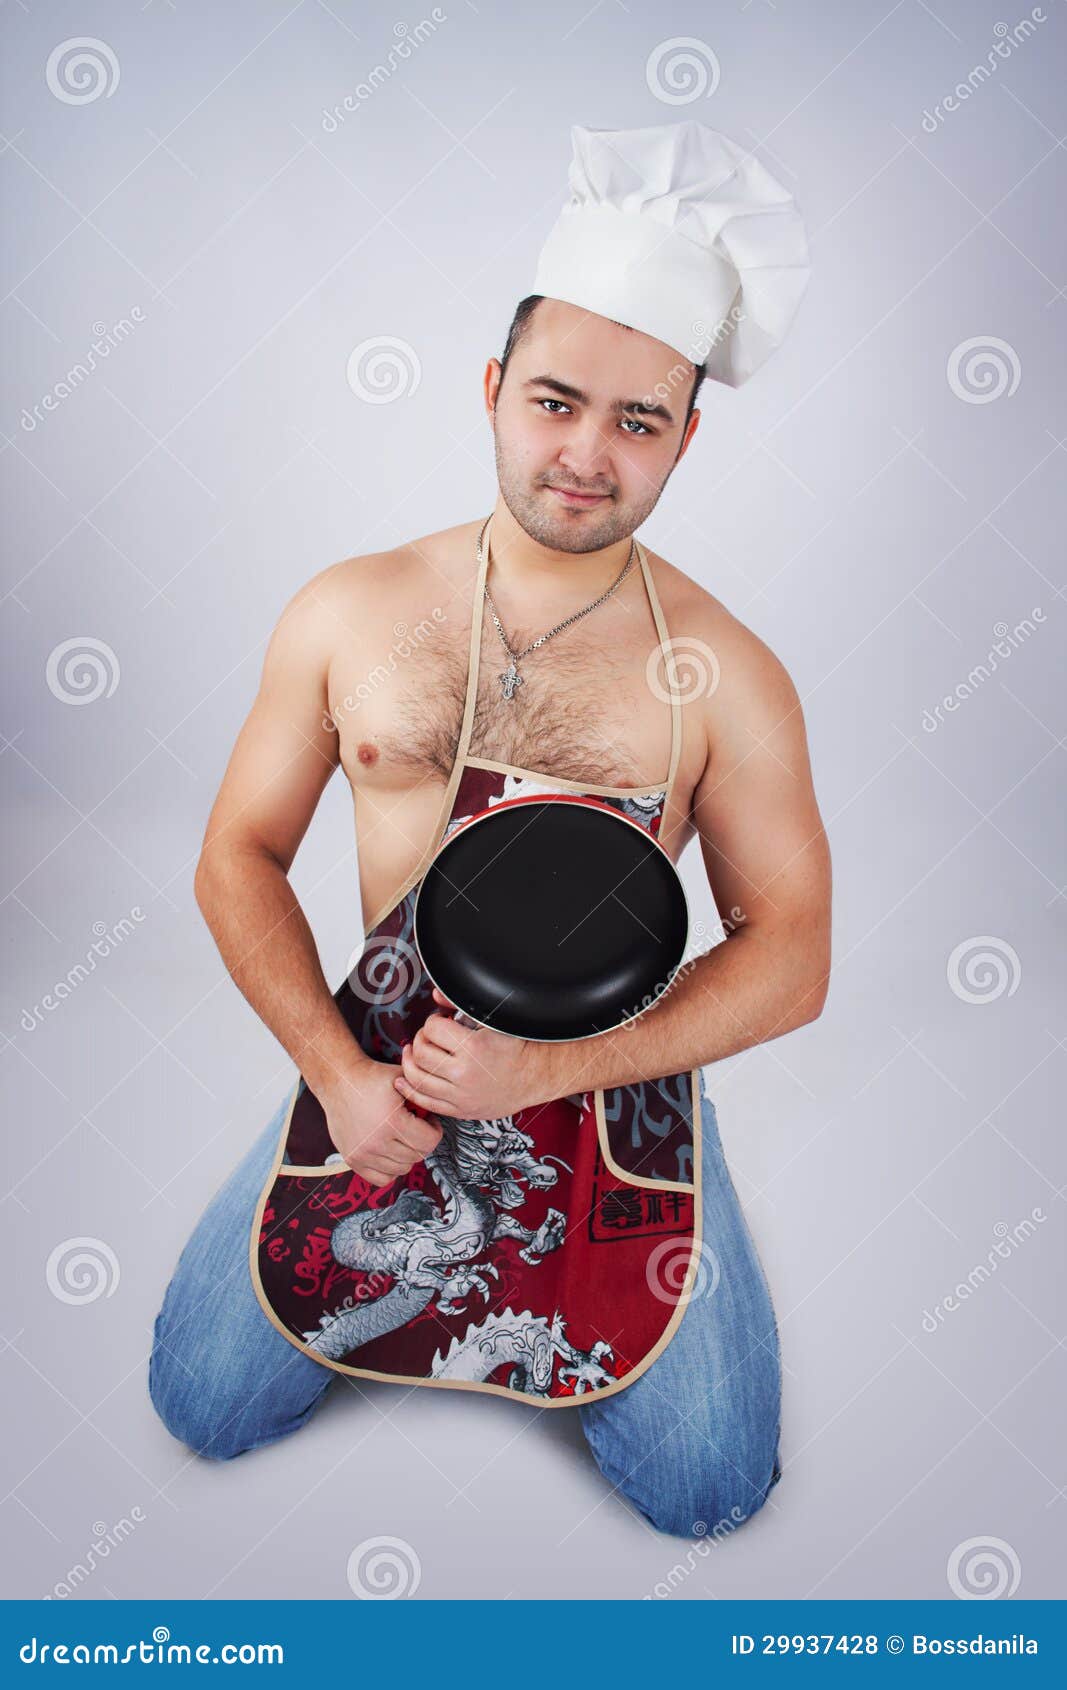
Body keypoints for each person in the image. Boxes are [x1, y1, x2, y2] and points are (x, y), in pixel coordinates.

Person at [148, 121, 831, 1540]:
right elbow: (236, 854)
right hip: (381, 1075)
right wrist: (335, 1075)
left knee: (710, 1490)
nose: (586, 453)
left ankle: (685, 1211)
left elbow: (796, 952)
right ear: (492, 390)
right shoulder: (348, 607)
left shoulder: (731, 672)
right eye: (555, 401)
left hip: (608, 1079)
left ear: (687, 437)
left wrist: (559, 1066)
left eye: (639, 422)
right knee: (203, 1404)